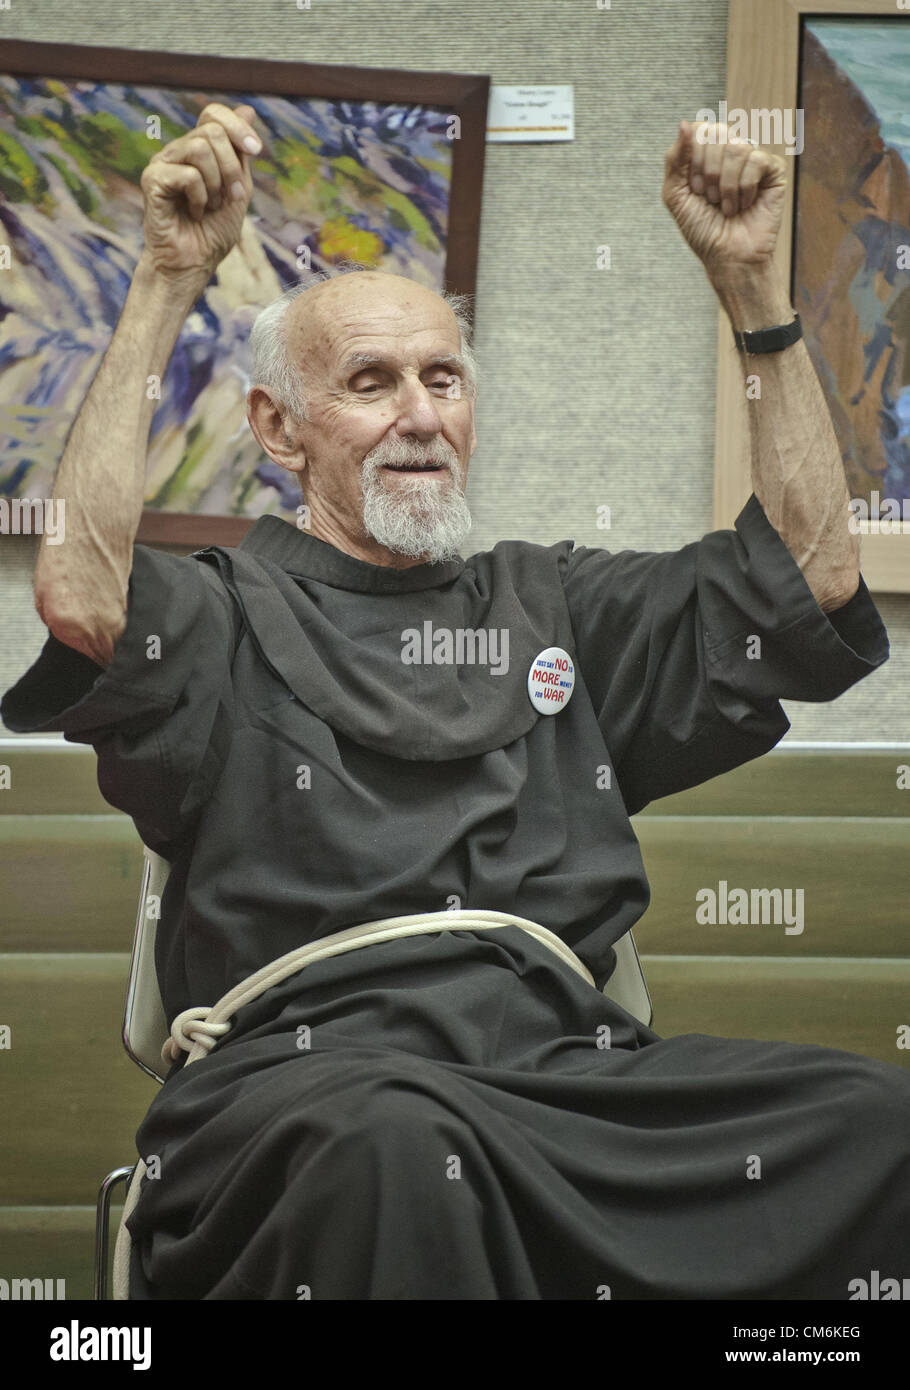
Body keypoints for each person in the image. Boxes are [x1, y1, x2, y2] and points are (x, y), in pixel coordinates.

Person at [2, 103, 906, 1302]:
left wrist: (752, 291)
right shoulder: (216, 611)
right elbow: (78, 588)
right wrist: (169, 279)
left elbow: (812, 575)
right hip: (309, 1091)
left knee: (868, 1121)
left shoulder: (556, 606)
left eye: (444, 379)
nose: (422, 414)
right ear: (277, 427)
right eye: (370, 383)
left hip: (565, 1080)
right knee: (399, 1147)